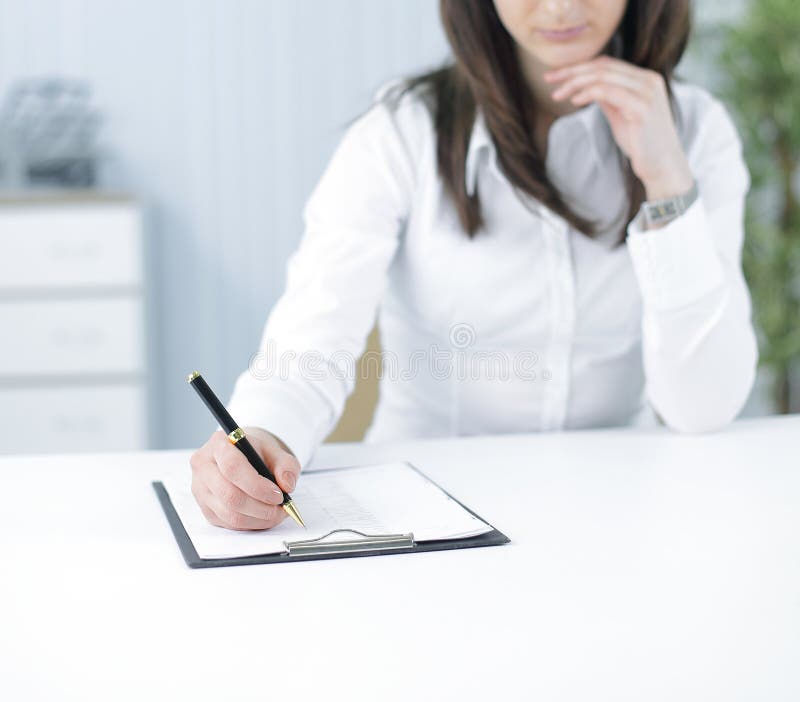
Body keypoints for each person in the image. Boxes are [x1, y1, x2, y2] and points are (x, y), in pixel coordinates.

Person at [189, 0, 758, 531]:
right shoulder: (402, 130)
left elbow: (702, 405)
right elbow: (315, 330)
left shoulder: (696, 132)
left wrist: (666, 181)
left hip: (620, 511)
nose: (560, 7)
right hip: (429, 511)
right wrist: (263, 432)